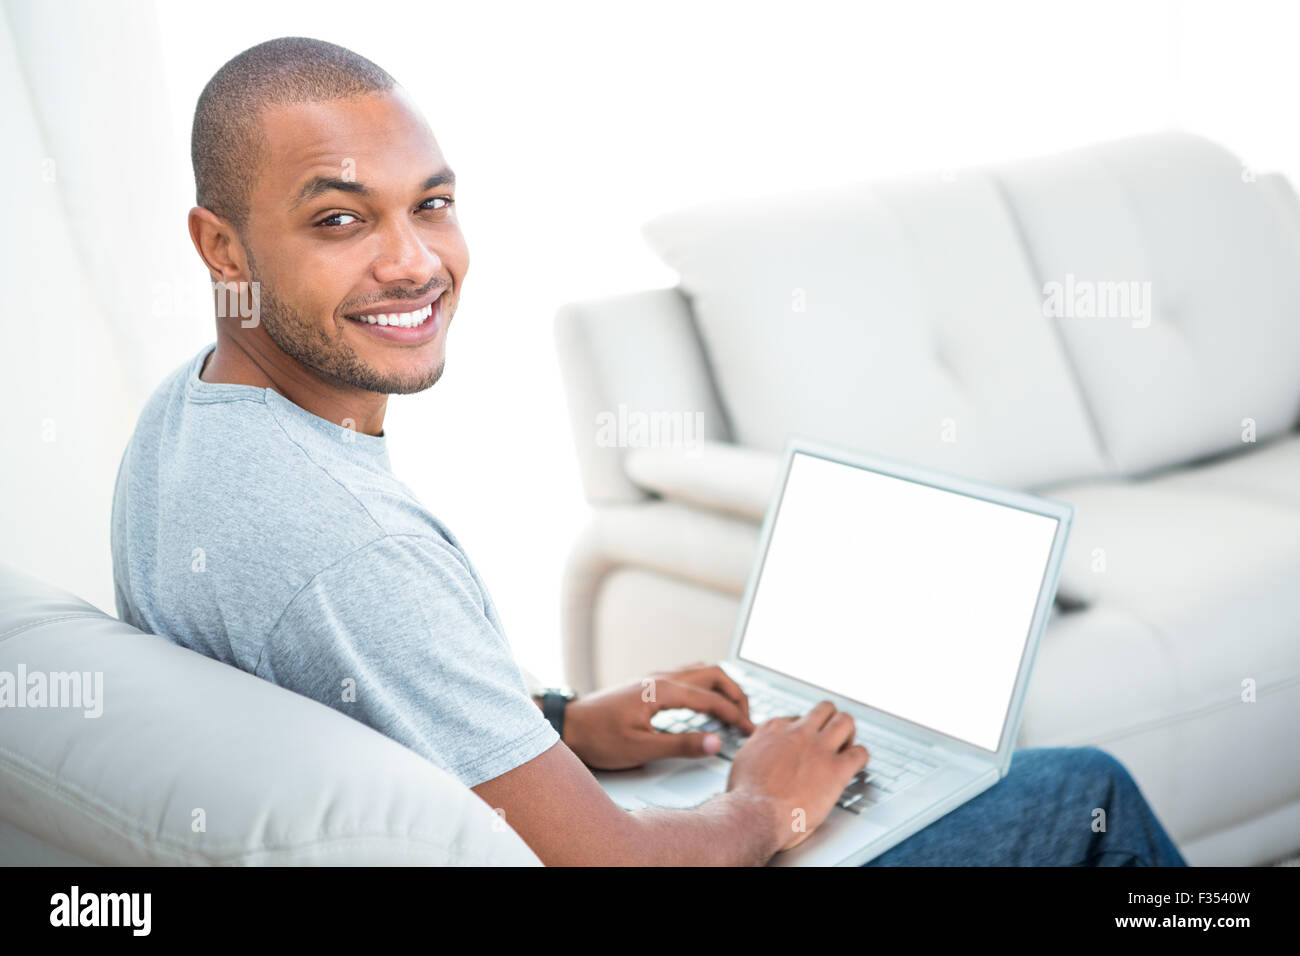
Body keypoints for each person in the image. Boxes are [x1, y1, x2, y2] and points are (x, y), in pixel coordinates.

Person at [110, 36, 1186, 867]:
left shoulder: (186, 418)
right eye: (340, 221)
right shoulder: (348, 545)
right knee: (1084, 793)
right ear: (221, 245)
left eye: (431, 205)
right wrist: (769, 802)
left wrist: (560, 726)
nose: (414, 263)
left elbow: (359, 709)